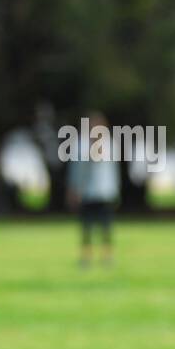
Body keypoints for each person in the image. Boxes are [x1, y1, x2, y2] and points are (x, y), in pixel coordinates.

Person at [67, 111, 119, 268]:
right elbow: (76, 168)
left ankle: (107, 256)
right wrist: (73, 189)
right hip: (86, 192)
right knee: (86, 228)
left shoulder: (108, 143)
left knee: (106, 227)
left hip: (104, 192)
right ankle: (86, 257)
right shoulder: (80, 143)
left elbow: (107, 164)